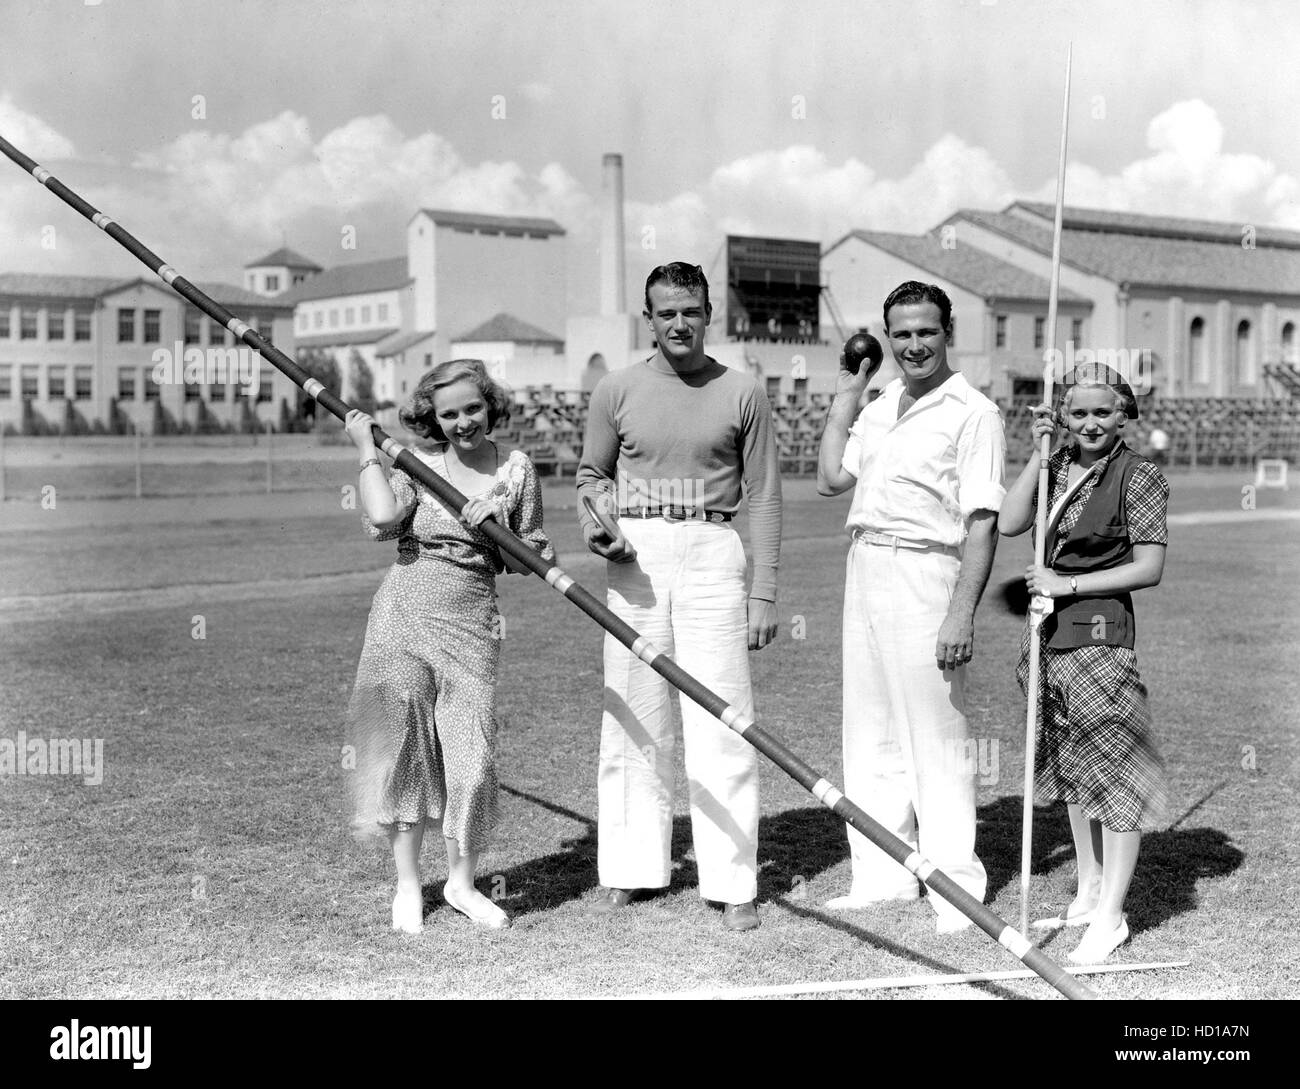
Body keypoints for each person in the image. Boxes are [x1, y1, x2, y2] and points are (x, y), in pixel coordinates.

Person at [576, 261, 781, 932]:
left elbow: (766, 494)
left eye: (690, 310)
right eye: (666, 312)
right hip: (635, 557)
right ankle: (632, 867)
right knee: (633, 712)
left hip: (713, 550)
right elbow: (590, 475)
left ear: (708, 312)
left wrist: (765, 593)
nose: (679, 322)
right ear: (650, 318)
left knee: (722, 717)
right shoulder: (617, 388)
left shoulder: (743, 390)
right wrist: (597, 527)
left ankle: (733, 881)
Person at [816, 281, 1004, 934]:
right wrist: (846, 396)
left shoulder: (973, 411)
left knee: (937, 736)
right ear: (887, 336)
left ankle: (956, 889)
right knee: (869, 732)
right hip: (864, 563)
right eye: (902, 333)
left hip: (929, 568)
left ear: (948, 329)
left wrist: (962, 613)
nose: (914, 344)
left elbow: (982, 524)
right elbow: (829, 478)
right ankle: (881, 877)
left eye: (926, 330)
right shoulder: (880, 404)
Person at [342, 358, 555, 934]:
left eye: (472, 408)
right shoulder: (417, 463)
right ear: (431, 418)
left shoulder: (515, 470)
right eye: (449, 413)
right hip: (402, 617)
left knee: (473, 756)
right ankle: (409, 885)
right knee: (403, 748)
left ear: (489, 406)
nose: (463, 422)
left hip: (471, 624)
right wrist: (367, 446)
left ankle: (460, 883)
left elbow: (529, 561)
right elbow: (384, 518)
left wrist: (499, 527)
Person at [999, 365, 1168, 964]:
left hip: (1100, 640)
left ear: (1123, 415)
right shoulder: (1055, 464)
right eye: (1077, 413)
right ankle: (1091, 891)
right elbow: (1012, 520)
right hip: (1046, 641)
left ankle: (1114, 916)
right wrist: (1036, 452)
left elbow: (1148, 568)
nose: (1090, 423)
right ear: (1062, 416)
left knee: (1116, 778)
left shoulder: (1139, 475)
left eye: (1102, 412)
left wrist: (1065, 583)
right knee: (1071, 772)